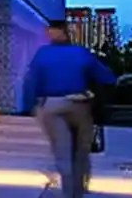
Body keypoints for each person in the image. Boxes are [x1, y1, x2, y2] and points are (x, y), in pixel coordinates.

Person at [22, 19, 117, 198]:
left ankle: (68, 193)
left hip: (51, 105)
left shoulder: (42, 53)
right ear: (67, 33)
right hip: (79, 104)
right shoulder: (80, 52)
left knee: (62, 151)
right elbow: (108, 77)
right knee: (81, 151)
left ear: (50, 33)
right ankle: (79, 190)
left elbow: (30, 81)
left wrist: (31, 106)